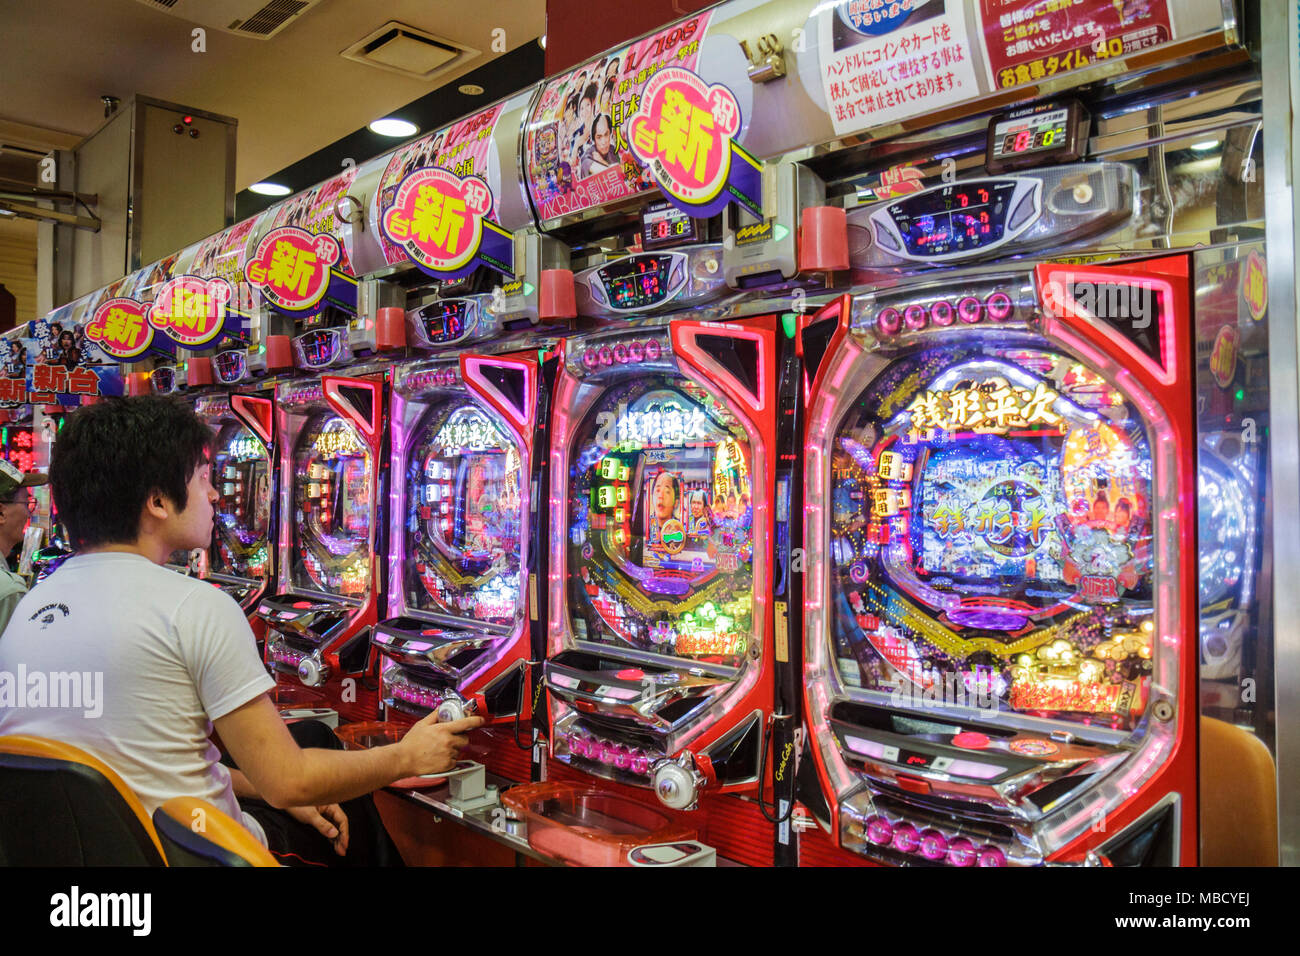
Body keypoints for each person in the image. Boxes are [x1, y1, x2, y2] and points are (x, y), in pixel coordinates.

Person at [0, 396, 482, 864]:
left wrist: (267, 788)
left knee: (311, 738)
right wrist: (407, 756)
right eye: (204, 478)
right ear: (158, 501)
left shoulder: (33, 605)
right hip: (194, 853)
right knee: (334, 791)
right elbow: (289, 780)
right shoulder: (193, 607)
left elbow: (133, 761)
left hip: (96, 859)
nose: (214, 495)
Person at [0, 460, 45, 633]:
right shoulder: (8, 592)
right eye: (27, 503)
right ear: (2, 512)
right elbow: (16, 660)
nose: (28, 513)